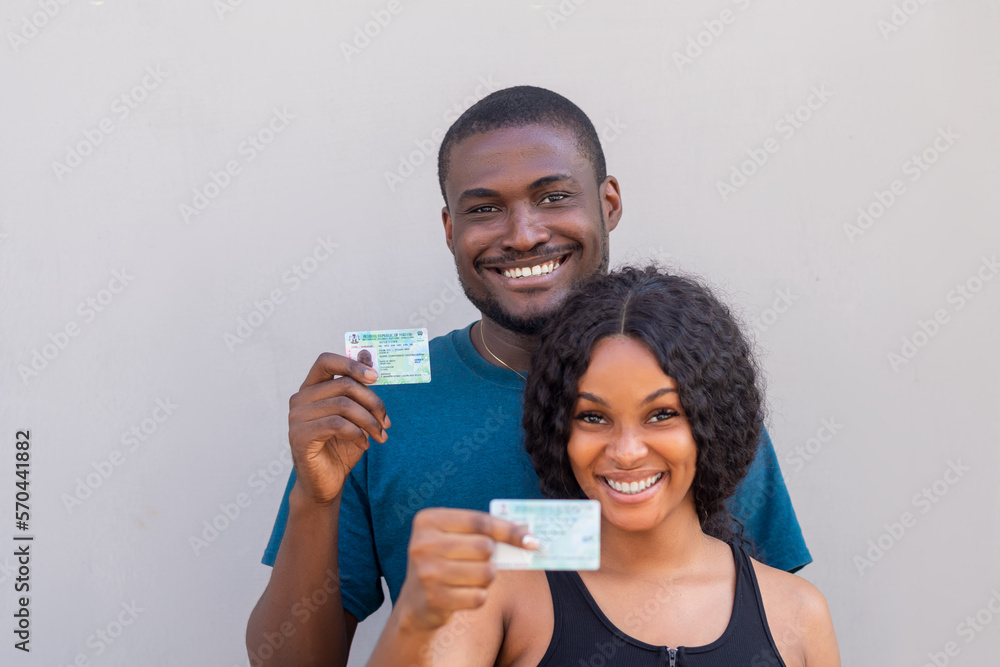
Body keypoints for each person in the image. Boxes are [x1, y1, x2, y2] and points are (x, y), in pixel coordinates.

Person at [246, 86, 811, 666]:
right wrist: (314, 502)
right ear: (448, 227)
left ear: (608, 202)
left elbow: (771, 628)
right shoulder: (381, 399)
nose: (522, 234)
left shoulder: (693, 389)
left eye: (554, 196)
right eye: (484, 208)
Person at [367, 266, 840, 666]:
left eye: (662, 414)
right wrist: (414, 615)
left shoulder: (797, 614)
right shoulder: (503, 591)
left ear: (711, 423)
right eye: (593, 417)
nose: (627, 451)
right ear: (559, 431)